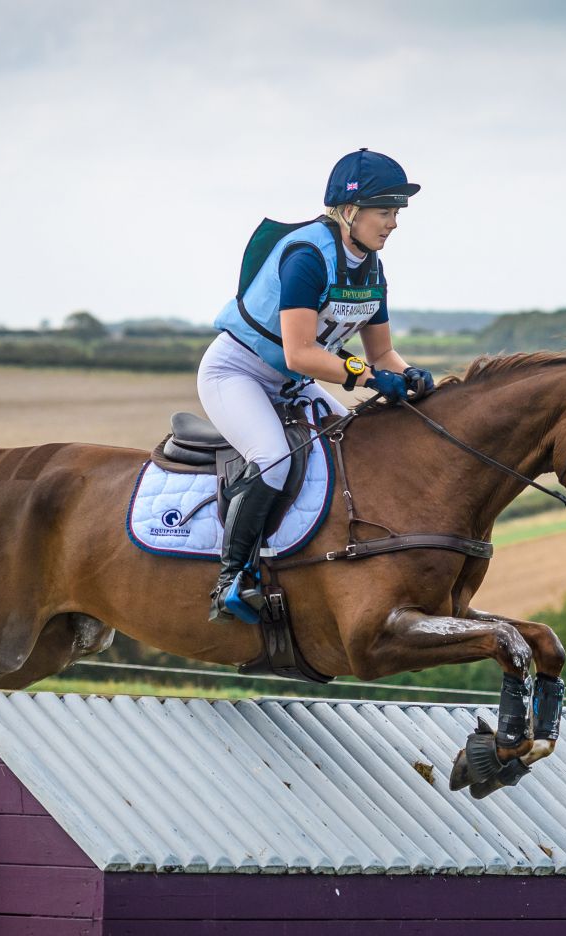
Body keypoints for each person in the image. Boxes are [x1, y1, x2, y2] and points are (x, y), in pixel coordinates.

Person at [200, 148, 436, 624]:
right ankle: (230, 581)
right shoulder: (308, 256)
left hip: (292, 385)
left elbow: (382, 354)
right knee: (272, 459)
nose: (393, 224)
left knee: (354, 450)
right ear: (349, 210)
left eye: (397, 213)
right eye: (385, 212)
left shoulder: (372, 267)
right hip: (238, 373)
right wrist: (370, 378)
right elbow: (300, 353)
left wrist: (412, 374)